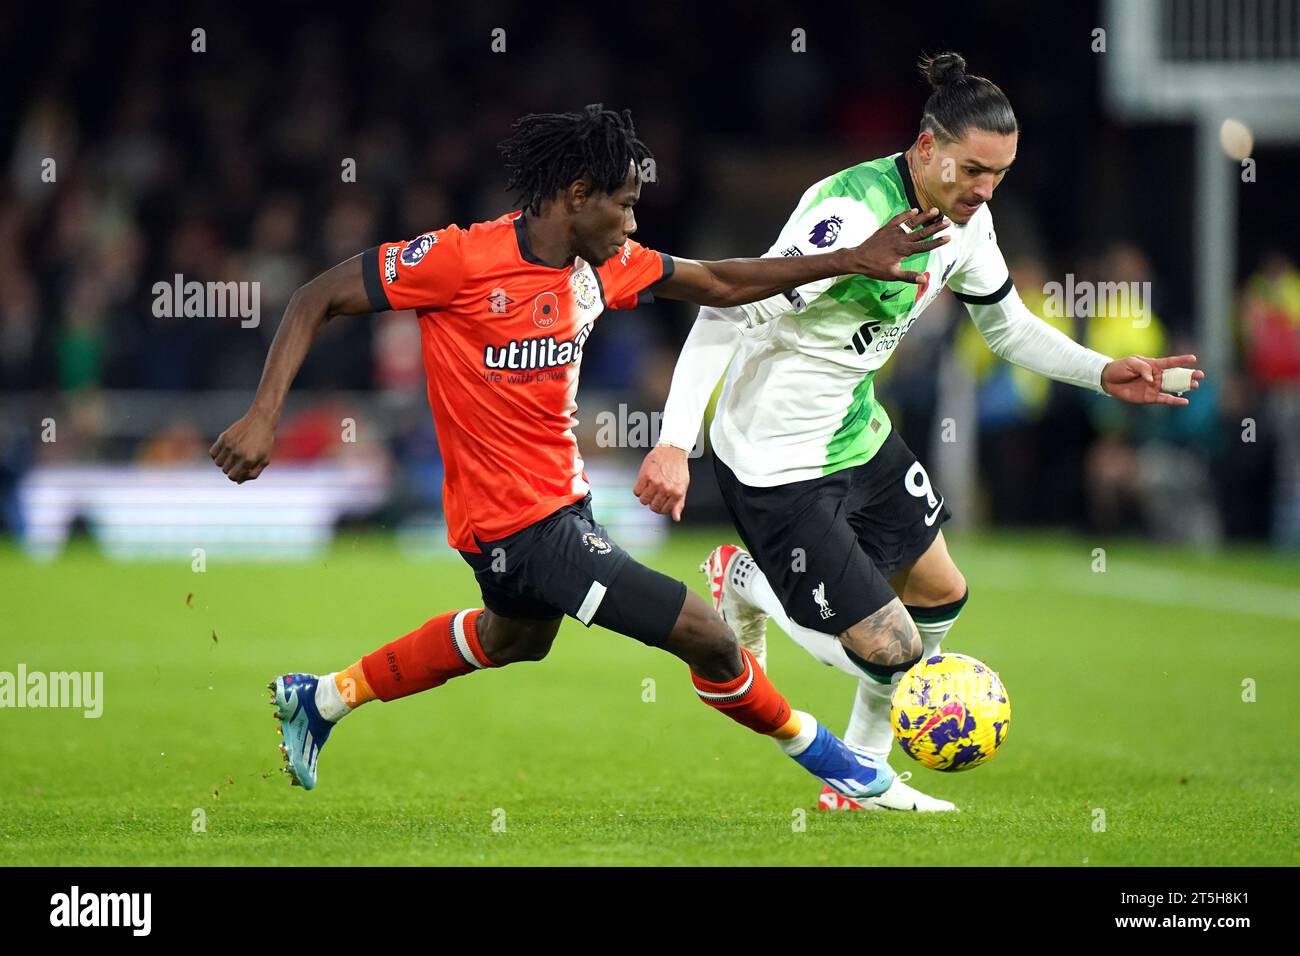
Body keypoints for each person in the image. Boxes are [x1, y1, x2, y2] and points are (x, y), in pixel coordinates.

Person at [210, 104, 950, 798]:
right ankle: (851, 770)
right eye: (623, 204)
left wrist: (848, 258)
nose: (633, 220)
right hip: (517, 524)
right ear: (575, 195)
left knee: (514, 639)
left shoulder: (608, 265)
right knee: (708, 638)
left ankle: (324, 699)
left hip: (561, 503)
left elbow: (721, 282)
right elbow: (317, 295)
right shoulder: (460, 260)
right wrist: (263, 415)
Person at [633, 54, 1204, 811]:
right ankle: (748, 583)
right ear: (927, 146)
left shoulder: (969, 223)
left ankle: (858, 780)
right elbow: (723, 310)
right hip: (773, 452)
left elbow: (1006, 328)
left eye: (997, 176)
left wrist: (1103, 372)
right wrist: (675, 440)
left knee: (942, 594)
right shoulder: (845, 213)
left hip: (856, 429)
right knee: (896, 652)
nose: (983, 191)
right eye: (972, 170)